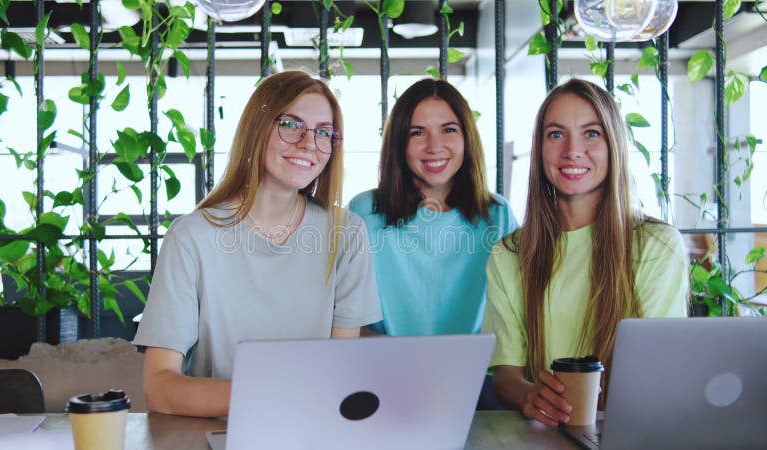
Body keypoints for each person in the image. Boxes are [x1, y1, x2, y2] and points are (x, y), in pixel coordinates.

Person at [133, 70, 382, 418]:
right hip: (216, 435)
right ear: (258, 128)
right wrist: (273, 394)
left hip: (313, 432)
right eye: (291, 125)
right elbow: (160, 388)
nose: (309, 143)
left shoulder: (348, 234)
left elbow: (337, 374)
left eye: (323, 132)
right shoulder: (190, 237)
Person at [482, 78, 688, 427]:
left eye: (591, 133)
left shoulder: (658, 245)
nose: (572, 150)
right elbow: (505, 376)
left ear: (614, 146)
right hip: (545, 435)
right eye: (556, 134)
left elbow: (660, 372)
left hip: (636, 430)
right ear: (540, 149)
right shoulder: (510, 253)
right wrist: (529, 395)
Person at [349, 78, 517, 337]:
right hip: (383, 370)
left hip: (476, 371)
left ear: (467, 138)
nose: (434, 146)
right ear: (399, 145)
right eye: (417, 132)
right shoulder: (365, 211)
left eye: (448, 130)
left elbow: (517, 315)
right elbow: (342, 320)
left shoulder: (498, 215)